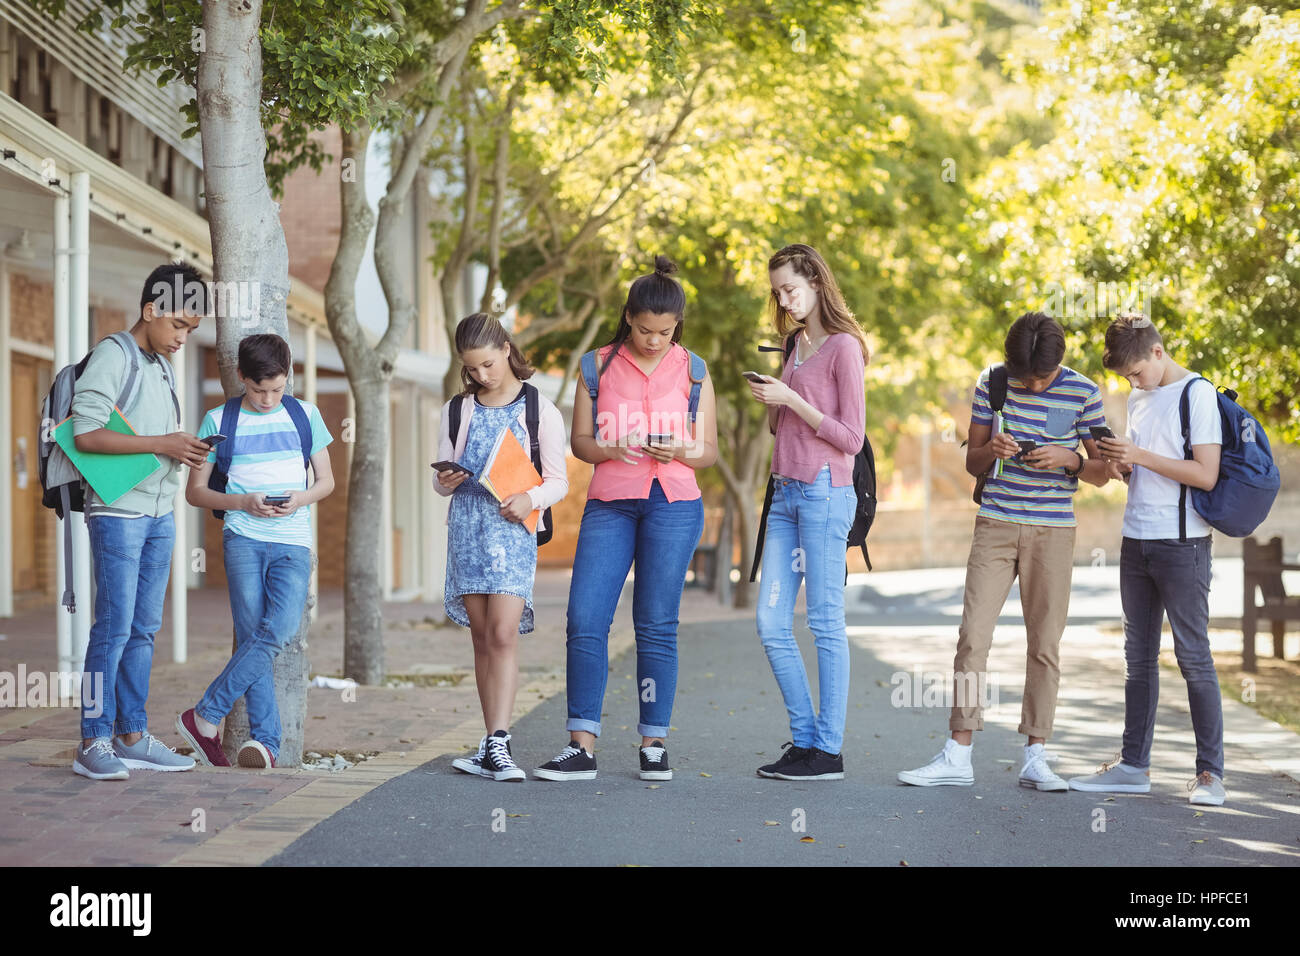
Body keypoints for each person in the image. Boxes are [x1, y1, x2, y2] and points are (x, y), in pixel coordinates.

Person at [898, 312, 1110, 790]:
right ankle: (958, 753)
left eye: (1042, 378)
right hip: (995, 523)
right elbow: (972, 460)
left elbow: (1103, 470)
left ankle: (1036, 755)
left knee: (1045, 646)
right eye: (1025, 378)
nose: (1032, 387)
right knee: (972, 637)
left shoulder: (1084, 392)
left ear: (1060, 363)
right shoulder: (992, 382)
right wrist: (992, 448)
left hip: (1054, 531)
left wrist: (1071, 459)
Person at [534, 256, 717, 782]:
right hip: (610, 504)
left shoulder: (696, 371)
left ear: (676, 325)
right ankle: (580, 745)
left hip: (675, 504)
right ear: (628, 317)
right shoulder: (595, 367)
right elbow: (580, 444)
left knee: (656, 624)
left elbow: (708, 451)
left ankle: (653, 742)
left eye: (665, 331)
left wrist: (678, 449)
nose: (654, 340)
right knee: (586, 619)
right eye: (644, 329)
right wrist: (609, 446)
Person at [1068, 314, 1226, 806]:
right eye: (1127, 377)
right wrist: (1120, 466)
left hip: (1183, 545)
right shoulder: (1139, 397)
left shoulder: (1197, 394)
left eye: (1137, 372)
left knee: (1193, 658)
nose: (1133, 383)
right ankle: (1134, 766)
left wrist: (1141, 454)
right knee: (1138, 660)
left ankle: (1210, 776)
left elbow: (1205, 474)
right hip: (1135, 541)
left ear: (1158, 352)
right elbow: (1142, 473)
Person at [71, 263, 210, 780]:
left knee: (144, 629)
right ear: (150, 310)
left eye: (191, 330)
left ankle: (131, 734)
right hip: (118, 513)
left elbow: (150, 438)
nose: (182, 337)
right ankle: (92, 741)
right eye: (177, 324)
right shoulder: (114, 354)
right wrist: (162, 443)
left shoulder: (161, 366)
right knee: (112, 627)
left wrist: (184, 451)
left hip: (158, 512)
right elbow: (85, 434)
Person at [177, 333, 334, 769]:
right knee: (253, 638)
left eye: (277, 389)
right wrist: (242, 502)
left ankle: (205, 715)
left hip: (293, 543)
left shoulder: (306, 415)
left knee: (277, 631)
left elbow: (326, 481)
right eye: (258, 389)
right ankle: (265, 742)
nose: (268, 399)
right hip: (242, 539)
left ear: (289, 378)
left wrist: (297, 500)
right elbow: (196, 492)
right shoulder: (218, 420)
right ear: (242, 377)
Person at [747, 243, 868, 781]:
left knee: (823, 622)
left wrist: (792, 400)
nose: (785, 299)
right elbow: (784, 429)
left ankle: (829, 750)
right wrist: (774, 405)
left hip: (824, 493)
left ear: (817, 281)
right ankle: (804, 741)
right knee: (771, 622)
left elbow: (851, 437)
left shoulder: (844, 348)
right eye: (777, 292)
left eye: (791, 288)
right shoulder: (793, 344)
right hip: (785, 493)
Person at [434, 313, 569, 783]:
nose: (482, 376)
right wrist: (445, 481)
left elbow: (559, 482)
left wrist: (530, 498)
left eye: (488, 364)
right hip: (468, 530)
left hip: (513, 532)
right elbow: (441, 482)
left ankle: (501, 742)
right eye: (472, 369)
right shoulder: (458, 409)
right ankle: (489, 743)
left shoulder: (541, 410)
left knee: (503, 634)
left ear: (507, 349)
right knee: (479, 637)